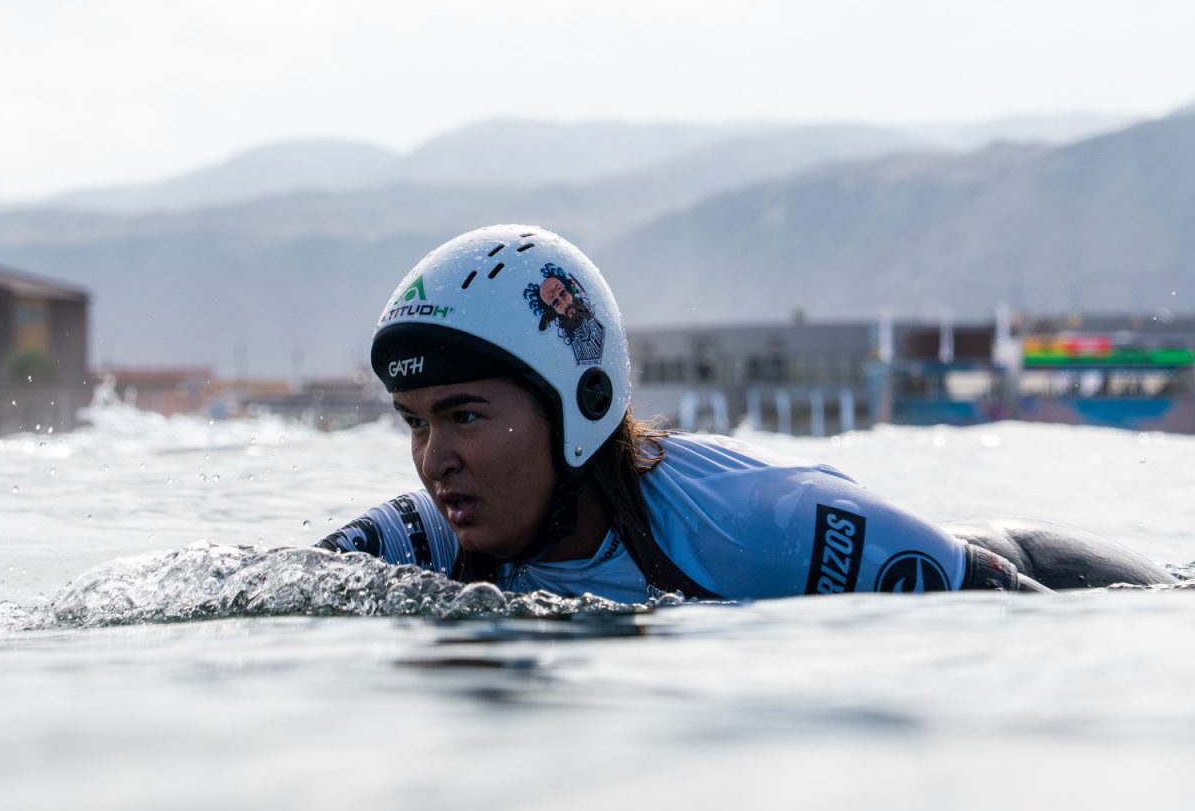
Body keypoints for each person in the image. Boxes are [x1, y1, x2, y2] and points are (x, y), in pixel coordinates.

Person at [317, 224, 1173, 600]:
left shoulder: (765, 523)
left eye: (465, 416)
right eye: (415, 422)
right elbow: (263, 591)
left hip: (1049, 574)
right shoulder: (436, 528)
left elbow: (1015, 625)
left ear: (580, 404)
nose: (435, 461)